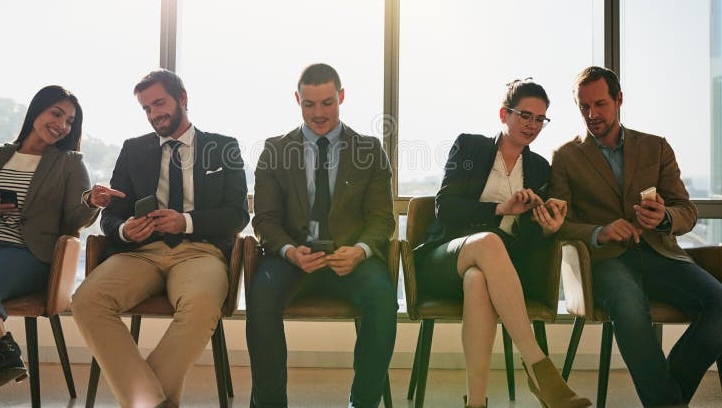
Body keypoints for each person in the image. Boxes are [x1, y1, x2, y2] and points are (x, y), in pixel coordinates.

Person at [0, 85, 118, 408]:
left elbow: (73, 221)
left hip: (26, 256)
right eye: (56, 113)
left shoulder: (69, 163)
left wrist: (92, 203)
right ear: (36, 111)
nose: (62, 124)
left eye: (70, 121)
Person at [71, 69, 249, 408]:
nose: (154, 114)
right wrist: (125, 229)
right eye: (147, 109)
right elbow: (112, 215)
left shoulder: (223, 147)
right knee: (86, 301)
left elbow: (238, 214)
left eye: (159, 103)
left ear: (182, 98)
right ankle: (152, 400)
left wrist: (186, 222)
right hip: (140, 253)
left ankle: (141, 400)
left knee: (201, 304)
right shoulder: (133, 149)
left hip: (201, 253)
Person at [550, 66, 722, 407]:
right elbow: (560, 224)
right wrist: (599, 232)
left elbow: (686, 211)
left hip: (661, 255)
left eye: (599, 104)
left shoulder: (656, 148)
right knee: (629, 307)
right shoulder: (565, 157)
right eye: (583, 106)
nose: (592, 114)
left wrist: (664, 217)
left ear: (619, 100)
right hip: (606, 261)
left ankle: (665, 397)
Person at [414, 79, 592, 408]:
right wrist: (500, 209)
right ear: (503, 114)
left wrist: (548, 226)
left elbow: (528, 240)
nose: (532, 125)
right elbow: (445, 207)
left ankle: (476, 403)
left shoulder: (539, 168)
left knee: (478, 279)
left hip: (498, 274)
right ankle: (539, 368)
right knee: (489, 242)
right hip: (445, 259)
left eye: (540, 119)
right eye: (525, 115)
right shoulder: (470, 147)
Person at [246, 63, 397, 408]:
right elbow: (265, 220)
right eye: (309, 104)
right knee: (261, 295)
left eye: (327, 103)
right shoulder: (274, 150)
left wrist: (359, 251)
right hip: (291, 259)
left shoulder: (370, 150)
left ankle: (364, 403)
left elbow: (381, 219)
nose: (319, 113)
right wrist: (288, 251)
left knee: (383, 297)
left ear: (341, 97)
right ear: (298, 100)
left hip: (351, 260)